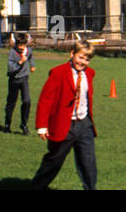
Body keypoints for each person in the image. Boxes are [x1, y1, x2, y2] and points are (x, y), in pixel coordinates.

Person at [31, 41, 97, 189]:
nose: (83, 62)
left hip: (84, 125)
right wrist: (42, 126)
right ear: (72, 54)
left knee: (88, 163)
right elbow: (45, 100)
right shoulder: (58, 72)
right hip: (63, 124)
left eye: (87, 59)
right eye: (80, 57)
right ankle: (37, 186)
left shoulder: (90, 73)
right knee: (54, 161)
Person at [5, 33, 36, 134]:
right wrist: (20, 62)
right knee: (11, 103)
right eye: (19, 46)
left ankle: (24, 124)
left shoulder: (28, 51)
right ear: (16, 45)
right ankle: (7, 124)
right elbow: (11, 69)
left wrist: (32, 65)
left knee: (27, 101)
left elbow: (31, 56)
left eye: (24, 45)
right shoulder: (12, 53)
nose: (22, 48)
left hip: (24, 79)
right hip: (14, 80)